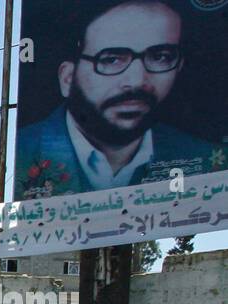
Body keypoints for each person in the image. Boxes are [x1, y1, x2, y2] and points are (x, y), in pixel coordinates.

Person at [15, 0, 218, 199]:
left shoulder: (207, 159)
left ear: (179, 66)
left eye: (160, 57)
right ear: (67, 77)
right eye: (111, 59)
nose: (138, 81)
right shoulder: (25, 153)